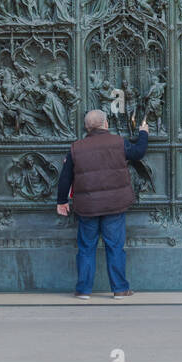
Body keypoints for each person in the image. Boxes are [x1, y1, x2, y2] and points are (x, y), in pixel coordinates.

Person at [56, 108, 149, 299]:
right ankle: (120, 289)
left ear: (87, 127)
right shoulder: (118, 143)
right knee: (115, 247)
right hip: (114, 206)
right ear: (106, 124)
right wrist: (143, 133)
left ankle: (83, 290)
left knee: (86, 248)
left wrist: (61, 201)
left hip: (87, 207)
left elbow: (65, 177)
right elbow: (138, 152)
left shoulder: (76, 147)